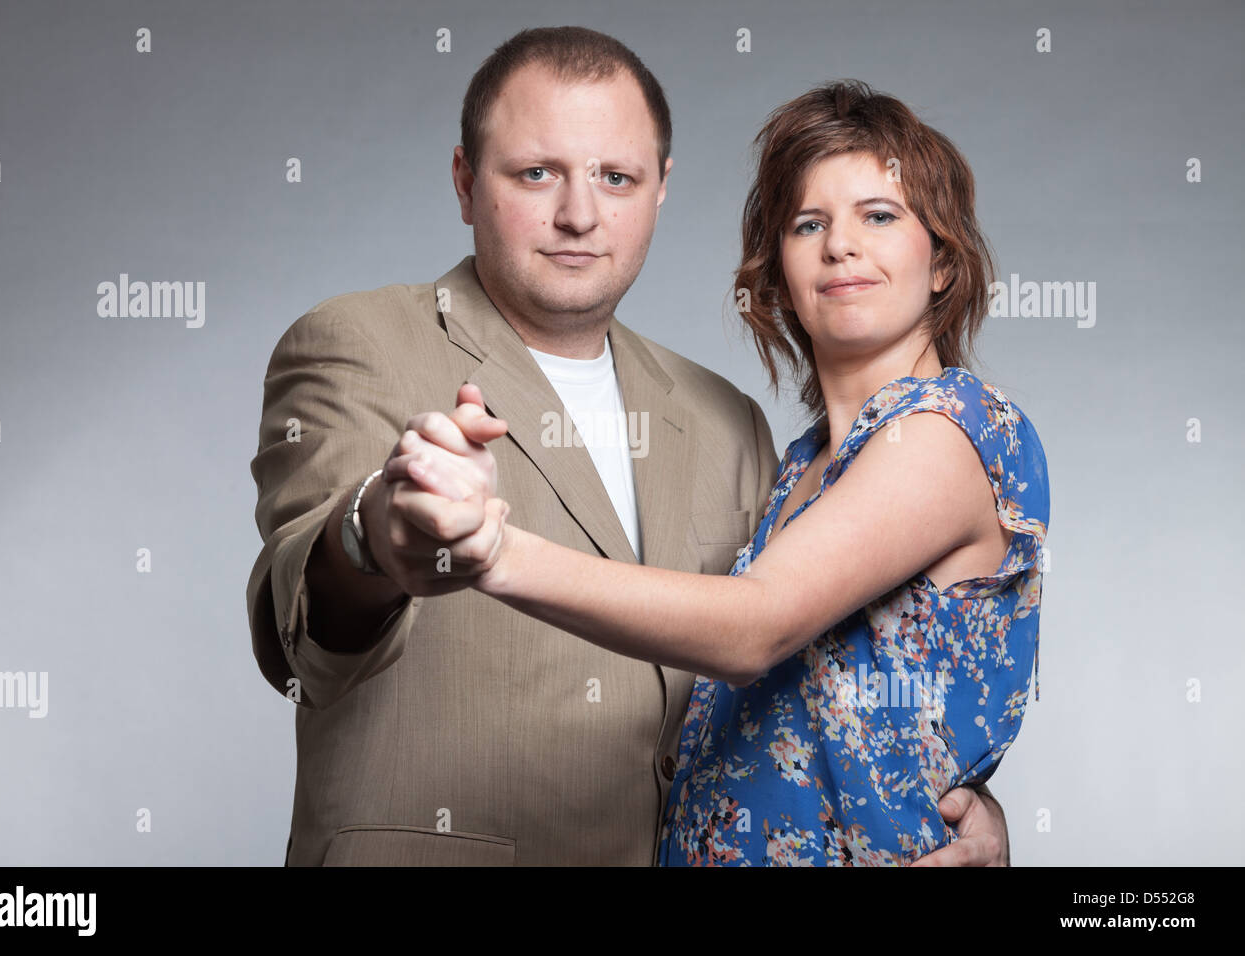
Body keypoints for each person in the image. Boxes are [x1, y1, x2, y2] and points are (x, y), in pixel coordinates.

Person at [246, 27, 1009, 865]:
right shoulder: (358, 342)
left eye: (616, 178)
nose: (579, 214)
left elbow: (800, 664)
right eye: (537, 173)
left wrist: (949, 803)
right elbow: (301, 623)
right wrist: (376, 533)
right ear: (465, 182)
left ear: (659, 190)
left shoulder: (727, 421)